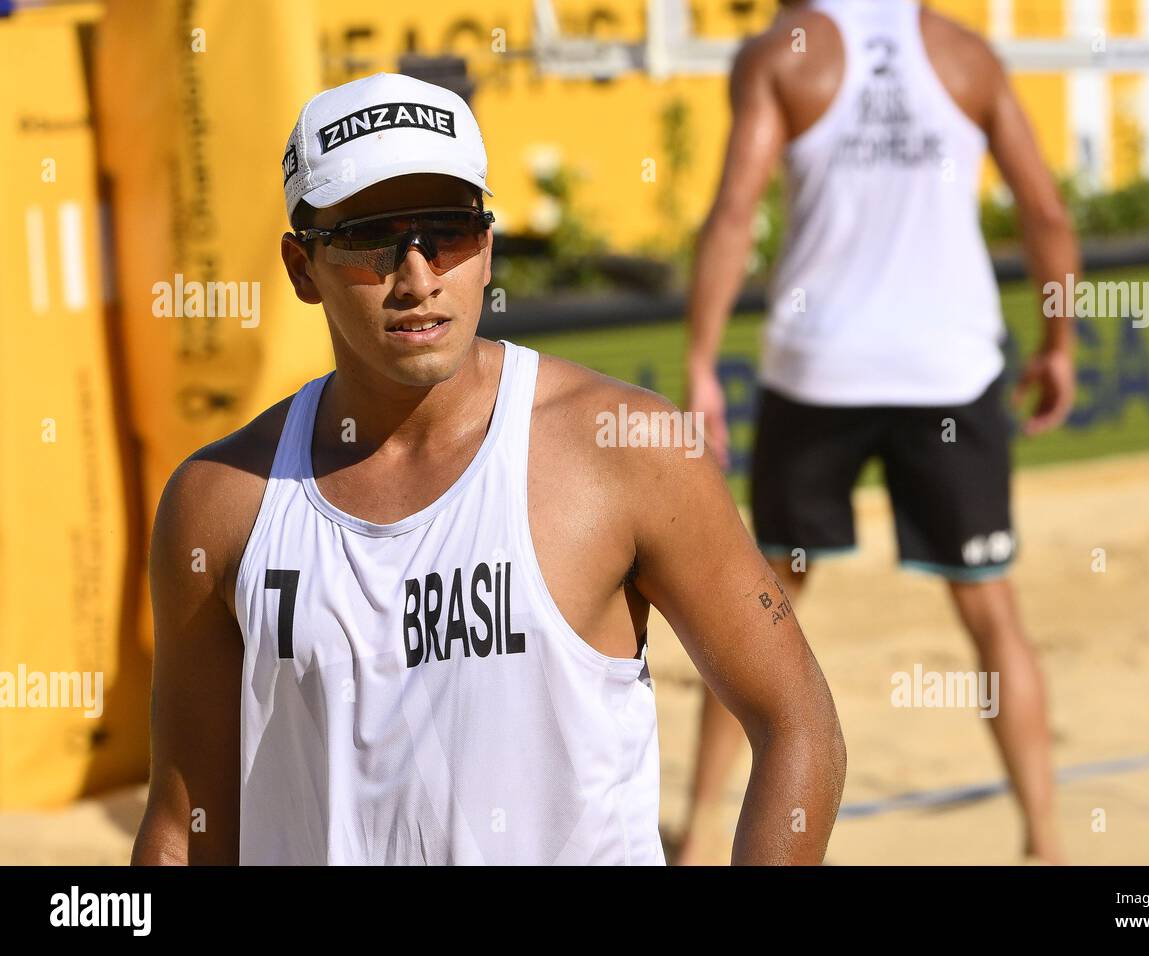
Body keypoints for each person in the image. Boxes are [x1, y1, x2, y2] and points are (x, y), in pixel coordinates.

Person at [132, 72, 845, 865]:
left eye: (449, 230)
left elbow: (797, 722)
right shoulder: (220, 504)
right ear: (302, 268)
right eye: (372, 236)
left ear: (488, 246)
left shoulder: (628, 449)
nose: (418, 274)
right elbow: (183, 826)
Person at [680, 0, 1079, 865]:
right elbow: (1046, 216)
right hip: (948, 367)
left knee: (754, 607)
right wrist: (1059, 343)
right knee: (990, 611)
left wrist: (703, 361)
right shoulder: (964, 52)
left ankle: (701, 833)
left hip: (819, 365)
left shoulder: (783, 52)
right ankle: (1046, 839)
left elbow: (735, 211)